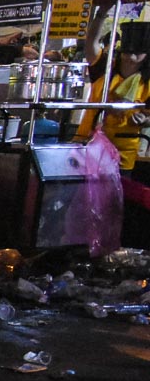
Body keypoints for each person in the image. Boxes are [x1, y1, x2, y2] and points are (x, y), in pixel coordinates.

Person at [78, 20, 150, 245]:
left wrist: (144, 118)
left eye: (138, 54)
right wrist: (102, 12)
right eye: (127, 52)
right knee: (81, 202)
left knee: (112, 207)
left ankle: (107, 247)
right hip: (88, 146)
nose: (131, 58)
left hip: (123, 154)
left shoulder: (147, 84)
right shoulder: (105, 69)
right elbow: (90, 44)